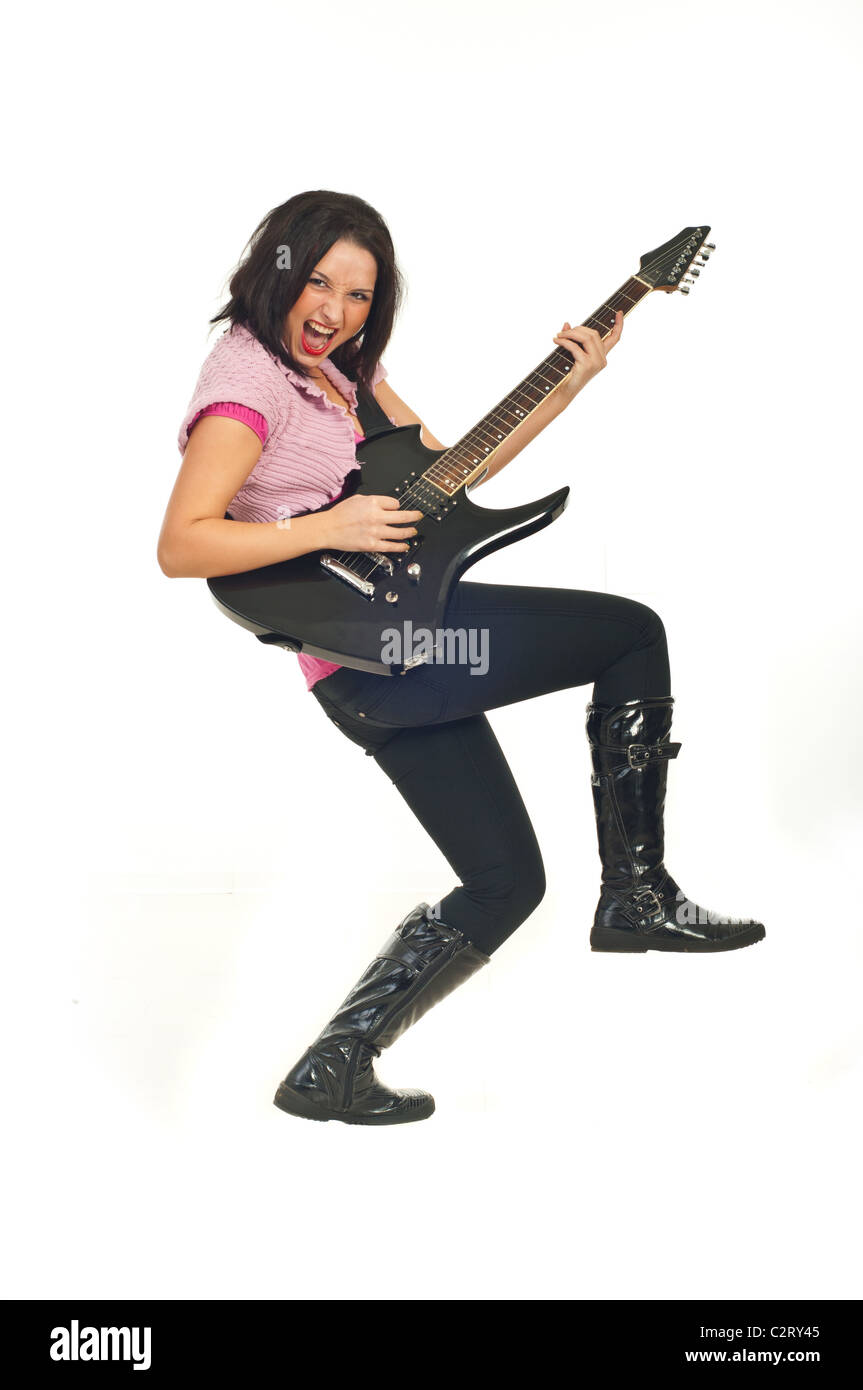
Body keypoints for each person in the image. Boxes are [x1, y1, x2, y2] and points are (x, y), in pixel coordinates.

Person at [158, 190, 765, 1127]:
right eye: (320, 282)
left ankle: (332, 1068)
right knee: (630, 633)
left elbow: (453, 470)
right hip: (390, 651)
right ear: (279, 268)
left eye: (360, 296)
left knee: (506, 882)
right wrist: (335, 522)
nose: (336, 311)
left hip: (396, 662)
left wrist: (572, 380)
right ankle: (638, 892)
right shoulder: (246, 383)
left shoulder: (341, 372)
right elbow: (183, 544)